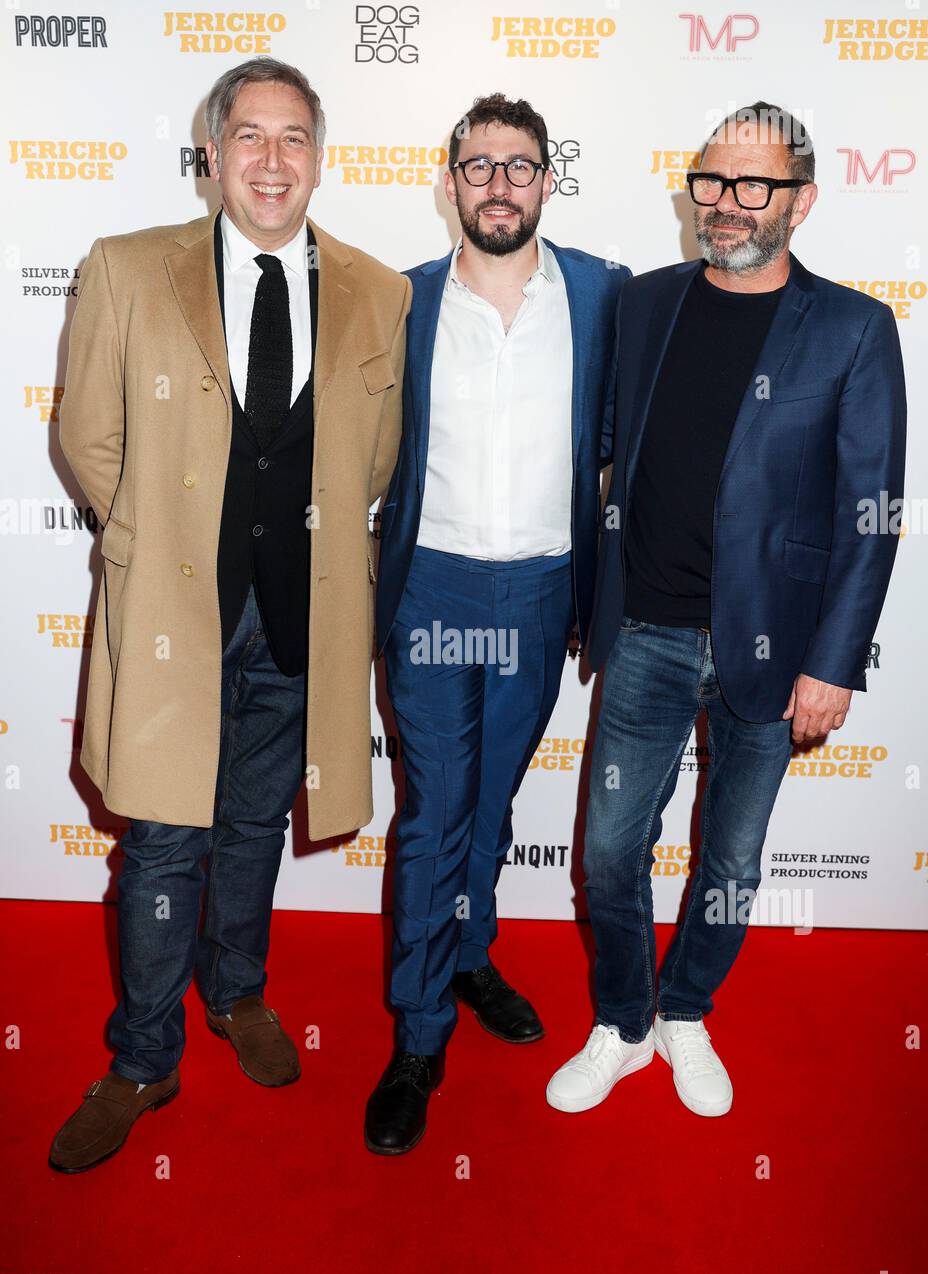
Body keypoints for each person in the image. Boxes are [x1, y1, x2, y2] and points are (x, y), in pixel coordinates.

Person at [50, 56, 410, 1173]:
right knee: (164, 842)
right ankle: (143, 1055)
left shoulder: (377, 290)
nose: (270, 158)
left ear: (318, 155)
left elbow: (375, 461)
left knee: (256, 824)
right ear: (212, 152)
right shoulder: (126, 269)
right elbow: (85, 438)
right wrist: (151, 544)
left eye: (292, 136)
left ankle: (238, 992)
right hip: (172, 619)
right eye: (247, 135)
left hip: (299, 623)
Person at [547, 101, 906, 1119]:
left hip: (779, 644)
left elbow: (867, 513)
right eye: (710, 180)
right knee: (612, 850)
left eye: (752, 185)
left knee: (732, 858)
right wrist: (594, 604)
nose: (726, 204)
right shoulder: (644, 304)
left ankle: (687, 1008)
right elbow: (607, 459)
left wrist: (834, 662)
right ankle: (622, 1021)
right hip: (649, 631)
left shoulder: (852, 327)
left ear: (802, 200)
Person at [366, 93, 630, 1155]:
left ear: (547, 181)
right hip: (431, 584)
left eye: (518, 168)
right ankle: (418, 1033)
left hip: (541, 587)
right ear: (448, 181)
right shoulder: (403, 301)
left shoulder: (605, 297)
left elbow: (627, 436)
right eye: (479, 168)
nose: (499, 186)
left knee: (491, 795)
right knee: (433, 809)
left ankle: (470, 952)